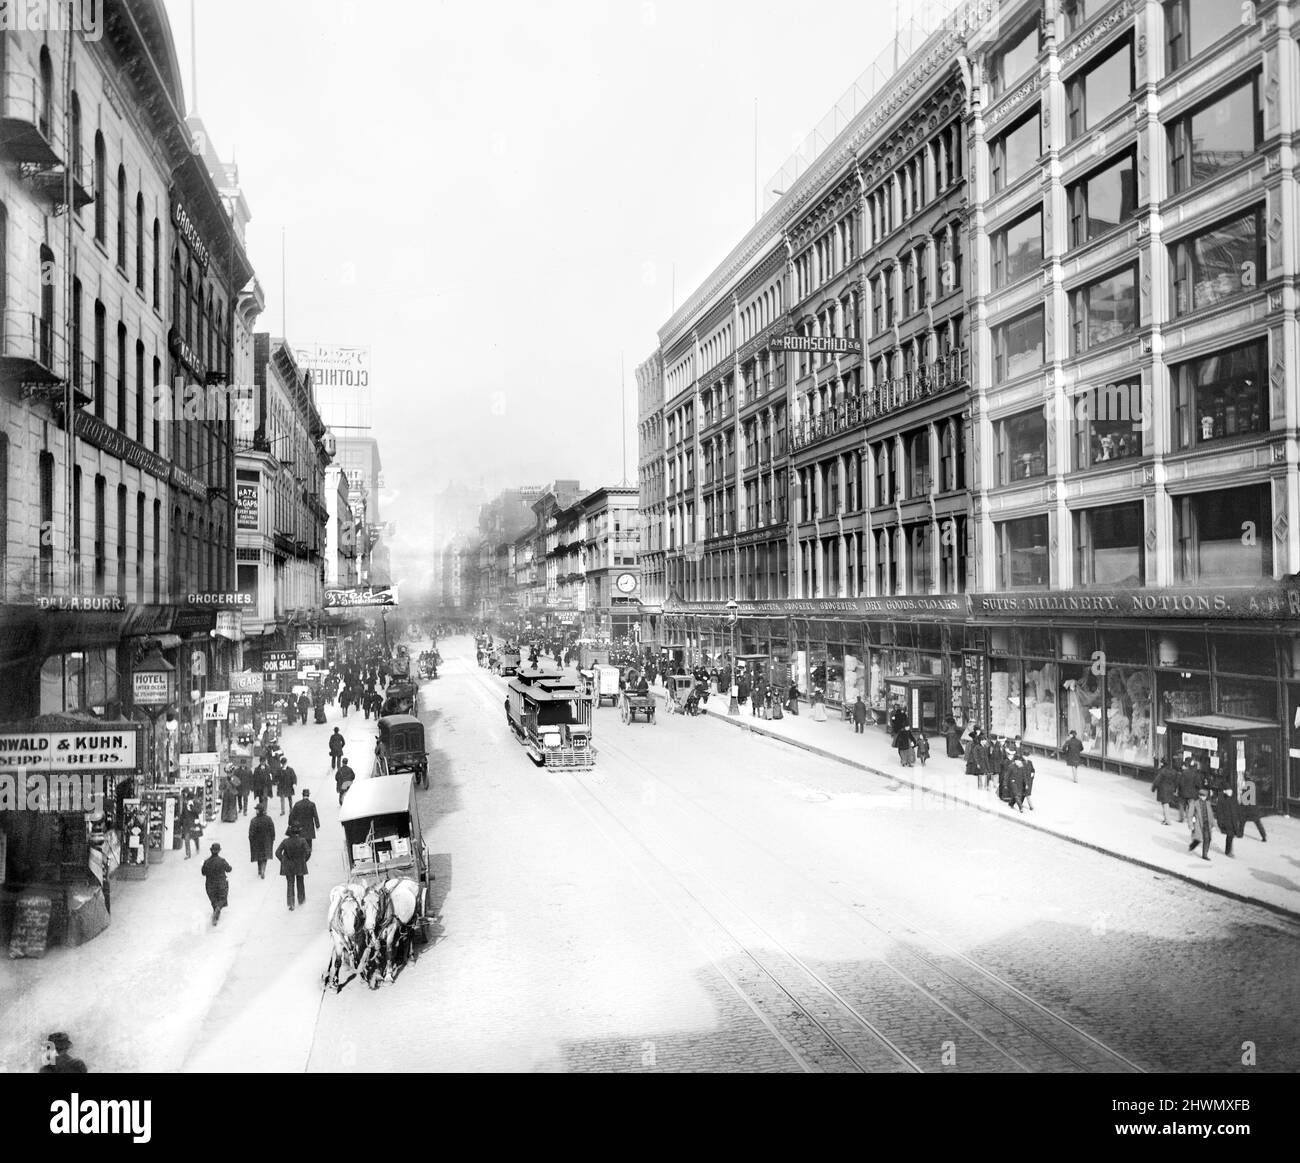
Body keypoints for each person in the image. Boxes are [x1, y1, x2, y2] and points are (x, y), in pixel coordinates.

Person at [275, 825, 310, 911]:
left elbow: (277, 852)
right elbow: (308, 852)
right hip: (299, 864)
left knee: (290, 884)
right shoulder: (302, 841)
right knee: (300, 882)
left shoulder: (285, 841)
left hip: (289, 865)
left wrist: (283, 860)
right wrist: (304, 860)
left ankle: (291, 903)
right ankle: (301, 900)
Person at [200, 842, 232, 925]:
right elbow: (229, 869)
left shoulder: (206, 862)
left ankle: (215, 914)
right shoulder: (222, 861)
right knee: (222, 898)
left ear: (211, 850)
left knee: (213, 899)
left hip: (210, 884)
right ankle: (218, 909)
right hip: (221, 883)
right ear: (219, 851)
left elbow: (203, 872)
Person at [288, 790, 321, 860]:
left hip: (299, 827)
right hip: (309, 827)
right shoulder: (312, 804)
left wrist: (290, 824)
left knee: (300, 842)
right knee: (309, 843)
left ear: (302, 795)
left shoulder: (297, 804)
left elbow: (291, 815)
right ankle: (307, 857)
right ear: (309, 795)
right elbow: (315, 815)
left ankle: (301, 856)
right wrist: (317, 825)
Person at [1187, 786, 1215, 861]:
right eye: (1201, 795)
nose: (1203, 797)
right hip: (1198, 824)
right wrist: (1191, 825)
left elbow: (1211, 815)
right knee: (1198, 838)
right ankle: (1193, 845)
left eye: (1204, 796)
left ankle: (1205, 855)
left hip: (1207, 824)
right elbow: (1190, 815)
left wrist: (1213, 825)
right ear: (1199, 796)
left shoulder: (1208, 803)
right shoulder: (1194, 803)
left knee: (1208, 839)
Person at [248, 802, 275, 879]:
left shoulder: (254, 820)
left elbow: (251, 832)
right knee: (265, 856)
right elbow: (272, 829)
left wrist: (251, 840)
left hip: (257, 842)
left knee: (258, 856)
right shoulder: (268, 819)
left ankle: (260, 869)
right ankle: (263, 869)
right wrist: (273, 838)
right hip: (267, 841)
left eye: (256, 810)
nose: (256, 811)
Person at [1151, 757, 1179, 825]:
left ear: (1162, 763)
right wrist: (1175, 789)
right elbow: (1176, 781)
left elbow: (1157, 780)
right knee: (1166, 804)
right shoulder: (1174, 771)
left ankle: (1167, 820)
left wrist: (1153, 788)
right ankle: (1166, 819)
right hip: (1170, 789)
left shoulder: (1162, 771)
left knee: (1165, 804)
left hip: (1163, 789)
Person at [1215, 787, 1242, 858]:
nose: (1230, 792)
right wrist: (1220, 822)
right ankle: (1228, 851)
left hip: (1234, 820)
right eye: (1228, 791)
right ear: (1225, 791)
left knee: (1231, 835)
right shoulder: (1221, 799)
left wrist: (1239, 817)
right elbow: (1219, 812)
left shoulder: (1234, 798)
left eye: (1231, 791)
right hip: (1226, 821)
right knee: (1230, 835)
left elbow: (1237, 808)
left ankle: (1230, 850)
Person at [1175, 757, 1202, 824]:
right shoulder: (1196, 774)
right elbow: (1198, 784)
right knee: (1191, 805)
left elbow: (1180, 782)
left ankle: (1181, 818)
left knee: (1181, 805)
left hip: (1183, 792)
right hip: (1192, 793)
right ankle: (1189, 818)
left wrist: (1179, 789)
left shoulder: (1184, 772)